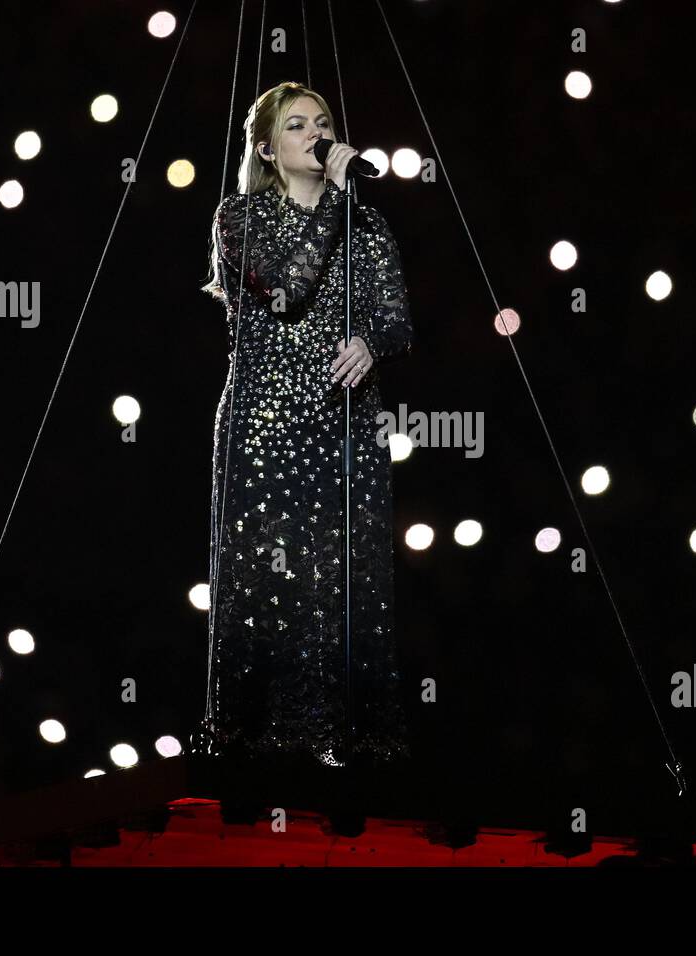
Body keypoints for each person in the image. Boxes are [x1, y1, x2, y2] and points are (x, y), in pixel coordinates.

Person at [196, 82, 413, 769]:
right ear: (268, 147)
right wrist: (339, 204)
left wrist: (372, 342)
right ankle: (257, 739)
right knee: (268, 575)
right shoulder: (242, 217)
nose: (317, 134)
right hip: (265, 423)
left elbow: (399, 318)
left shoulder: (367, 223)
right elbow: (287, 291)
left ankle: (348, 739)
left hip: (342, 421)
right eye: (298, 126)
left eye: (323, 123)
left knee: (344, 574)